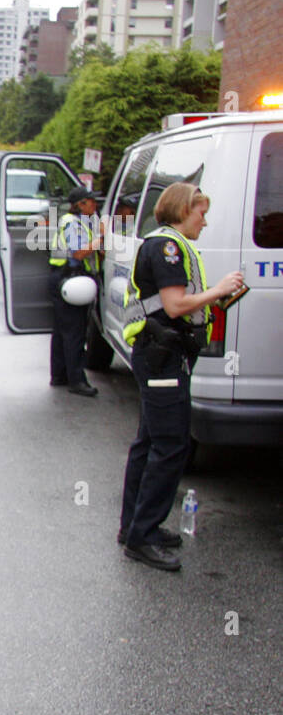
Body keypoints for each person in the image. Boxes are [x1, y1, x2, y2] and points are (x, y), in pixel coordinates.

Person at [117, 182, 243, 571]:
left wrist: (217, 298)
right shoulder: (167, 246)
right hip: (162, 357)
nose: (205, 221)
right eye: (200, 213)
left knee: (150, 441)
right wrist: (218, 289)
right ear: (181, 210)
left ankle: (136, 527)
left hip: (160, 355)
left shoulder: (166, 244)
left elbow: (172, 303)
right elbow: (174, 306)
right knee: (171, 446)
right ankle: (142, 537)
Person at [50, 186, 103, 396]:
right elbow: (79, 253)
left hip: (62, 278)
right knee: (75, 333)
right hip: (70, 279)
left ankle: (60, 375)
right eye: (91, 201)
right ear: (80, 204)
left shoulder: (71, 222)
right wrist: (101, 240)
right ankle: (77, 381)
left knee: (62, 332)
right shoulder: (73, 224)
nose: (95, 204)